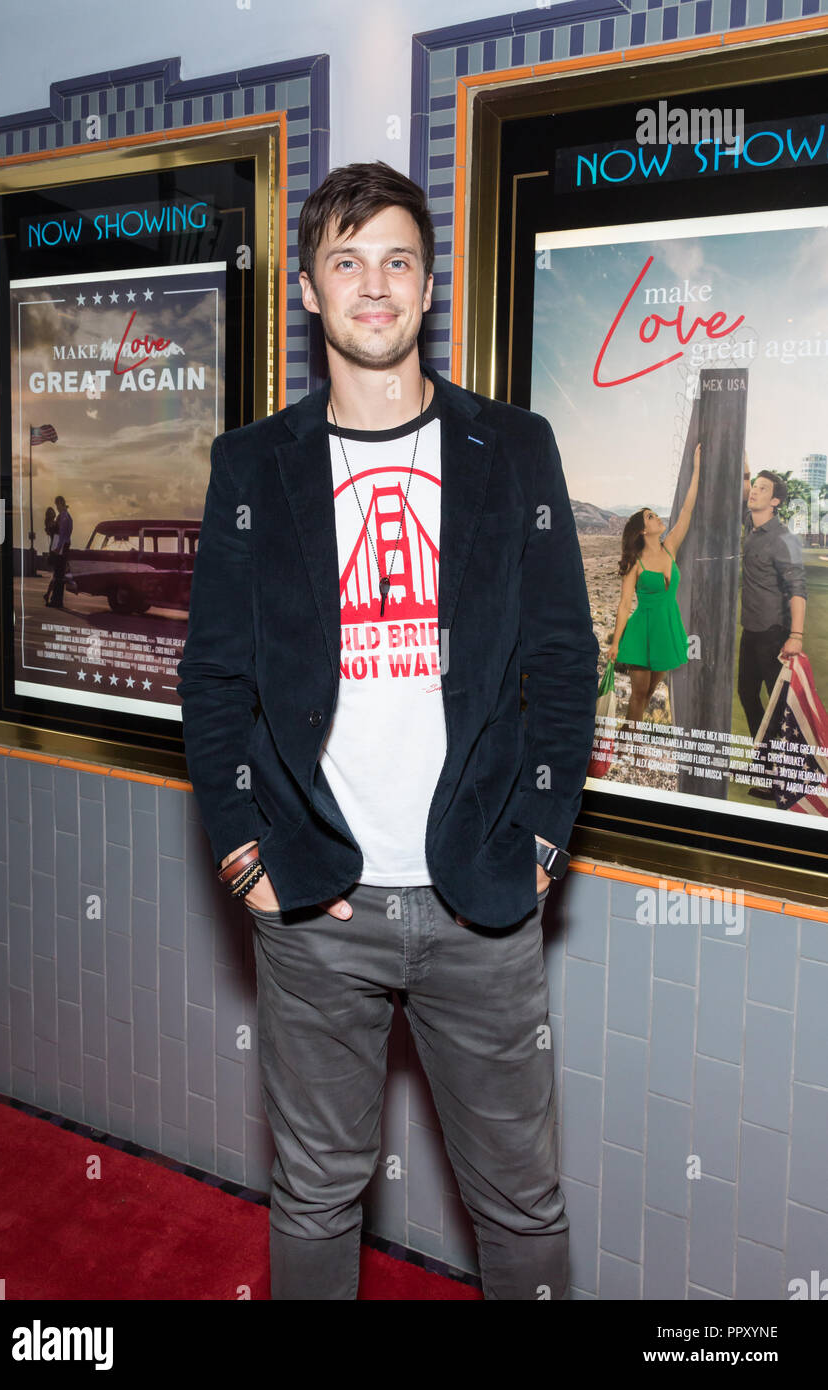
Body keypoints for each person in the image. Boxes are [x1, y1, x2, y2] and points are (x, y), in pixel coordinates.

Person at [176, 161, 599, 1301]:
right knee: (315, 1192)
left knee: (521, 1200)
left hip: (483, 903)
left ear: (427, 286)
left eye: (396, 261)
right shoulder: (251, 465)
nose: (373, 286)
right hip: (315, 903)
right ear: (308, 289)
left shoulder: (513, 449)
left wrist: (542, 839)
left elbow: (563, 664)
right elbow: (212, 678)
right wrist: (243, 851)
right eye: (346, 261)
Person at [608, 443, 700, 726]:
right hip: (642, 631)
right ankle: (628, 747)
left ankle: (626, 736)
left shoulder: (670, 546)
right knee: (637, 696)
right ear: (643, 530)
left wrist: (697, 469)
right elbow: (625, 605)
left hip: (668, 628)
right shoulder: (634, 562)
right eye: (651, 516)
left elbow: (686, 510)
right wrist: (614, 641)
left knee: (648, 694)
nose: (657, 517)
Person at [738, 458, 807, 796]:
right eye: (755, 487)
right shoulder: (750, 527)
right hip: (750, 630)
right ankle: (765, 765)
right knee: (747, 694)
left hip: (773, 632)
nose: (755, 492)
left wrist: (796, 635)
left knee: (778, 708)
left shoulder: (783, 538)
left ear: (776, 501)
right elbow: (742, 490)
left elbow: (798, 589)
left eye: (763, 489)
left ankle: (781, 776)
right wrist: (746, 466)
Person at [46, 495, 73, 608]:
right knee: (60, 576)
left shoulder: (63, 516)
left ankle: (56, 601)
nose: (56, 507)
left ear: (61, 503)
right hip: (65, 546)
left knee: (58, 575)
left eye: (57, 504)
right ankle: (58, 601)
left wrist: (58, 548)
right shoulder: (67, 516)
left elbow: (62, 535)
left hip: (61, 547)